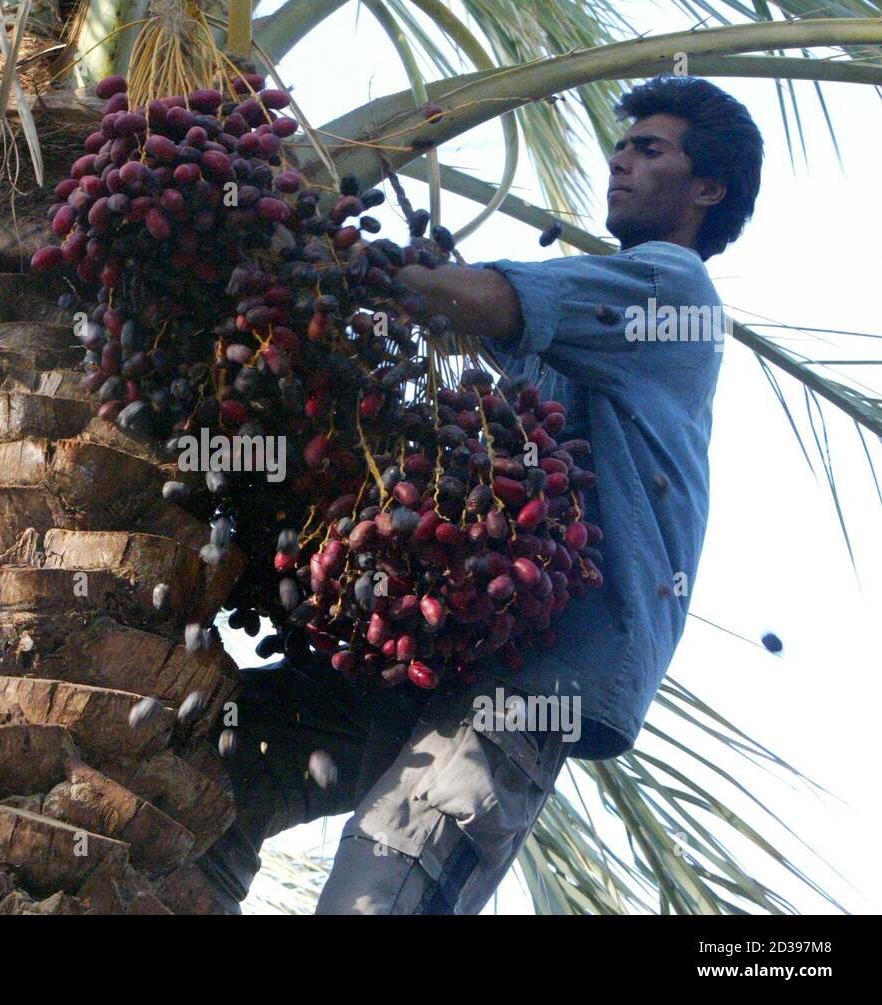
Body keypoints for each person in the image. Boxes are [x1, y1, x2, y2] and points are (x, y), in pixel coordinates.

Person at [195, 75, 764, 914]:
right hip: (441, 650)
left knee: (379, 889)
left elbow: (494, 301)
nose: (621, 159)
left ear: (708, 188)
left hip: (532, 673)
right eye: (622, 144)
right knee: (218, 778)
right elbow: (463, 336)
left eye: (651, 148)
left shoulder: (671, 290)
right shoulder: (583, 330)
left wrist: (332, 256)